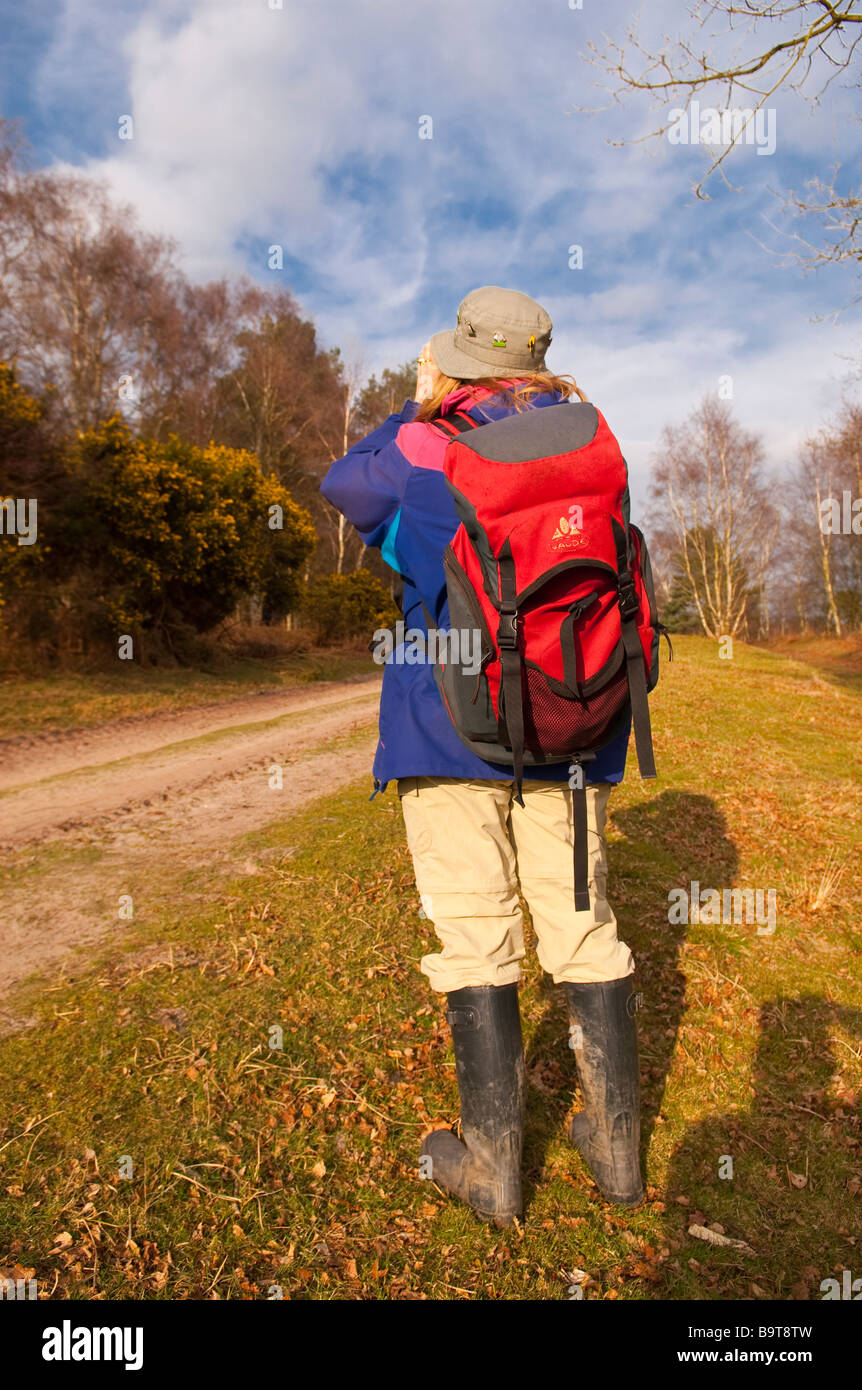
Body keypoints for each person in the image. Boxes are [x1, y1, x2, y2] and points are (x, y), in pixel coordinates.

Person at [320, 286, 643, 1227]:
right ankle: (617, 1155)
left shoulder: (430, 442)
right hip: (577, 719)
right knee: (584, 925)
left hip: (449, 722)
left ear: (458, 359)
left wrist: (417, 401)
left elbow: (349, 485)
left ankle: (495, 1172)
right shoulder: (593, 443)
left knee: (476, 925)